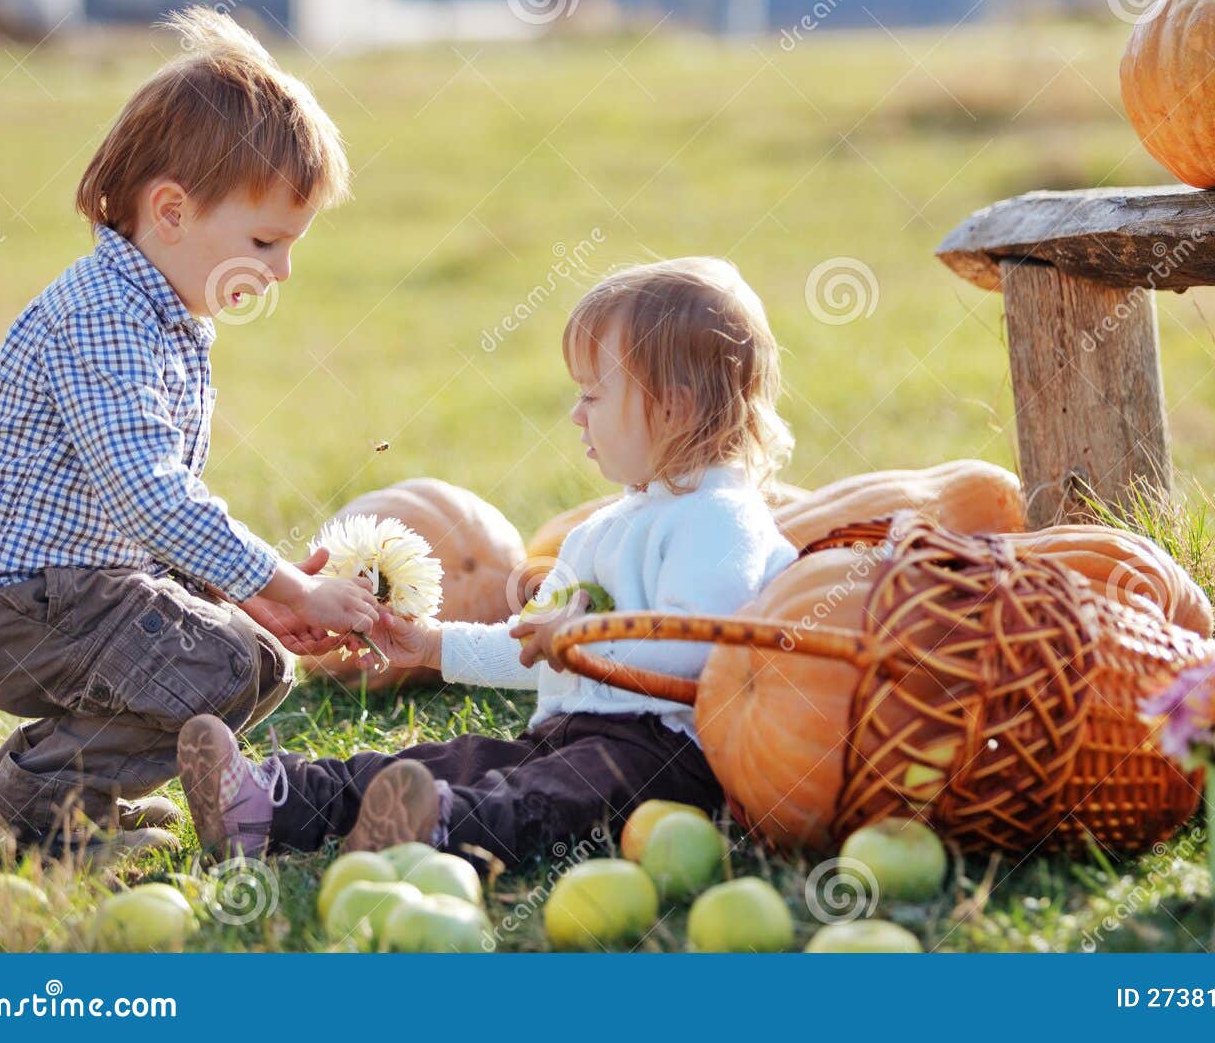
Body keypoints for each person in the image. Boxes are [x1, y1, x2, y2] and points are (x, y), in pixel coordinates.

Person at [0, 8, 379, 860]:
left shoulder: (159, 316)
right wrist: (286, 583)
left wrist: (257, 594)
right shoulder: (104, 318)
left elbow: (151, 522)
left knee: (259, 659)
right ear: (170, 210)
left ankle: (78, 798)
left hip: (66, 593)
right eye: (266, 239)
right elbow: (152, 494)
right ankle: (33, 815)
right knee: (222, 666)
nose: (282, 270)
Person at [179, 258, 799, 866]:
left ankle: (438, 829)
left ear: (674, 408)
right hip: (571, 734)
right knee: (450, 762)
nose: (577, 413)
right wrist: (432, 646)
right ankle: (274, 802)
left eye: (593, 394)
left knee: (547, 800)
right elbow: (530, 643)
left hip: (671, 757)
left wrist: (580, 640)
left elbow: (706, 650)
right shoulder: (604, 529)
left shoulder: (722, 518)